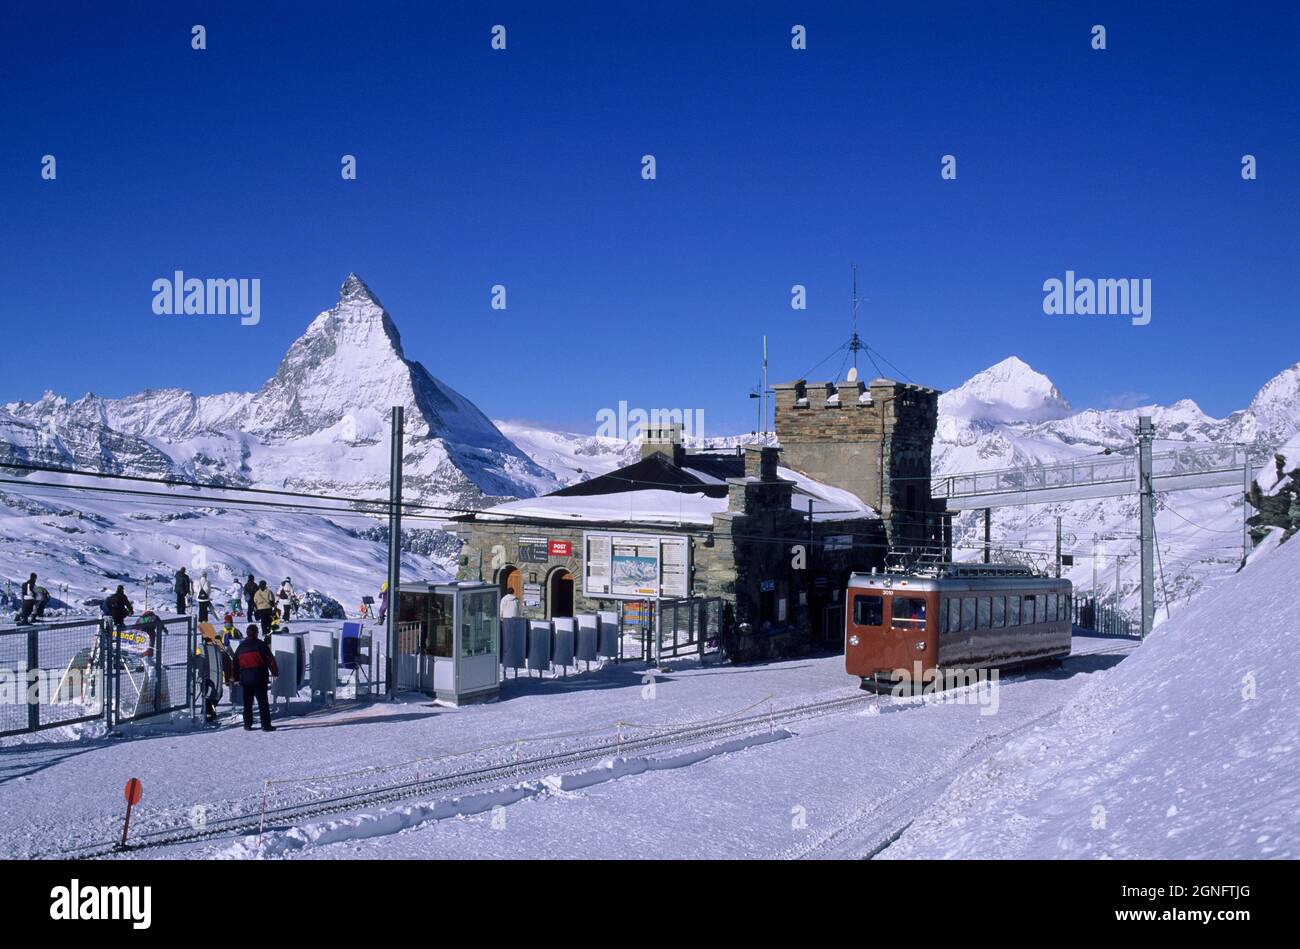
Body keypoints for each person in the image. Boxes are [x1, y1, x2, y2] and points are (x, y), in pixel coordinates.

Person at [233, 625, 278, 732]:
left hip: (245, 678)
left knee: (247, 703)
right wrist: (275, 672)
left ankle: (247, 724)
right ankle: (266, 725)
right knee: (263, 702)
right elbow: (270, 660)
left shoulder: (241, 647)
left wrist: (236, 678)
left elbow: (235, 664)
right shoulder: (261, 645)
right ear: (256, 633)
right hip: (259, 676)